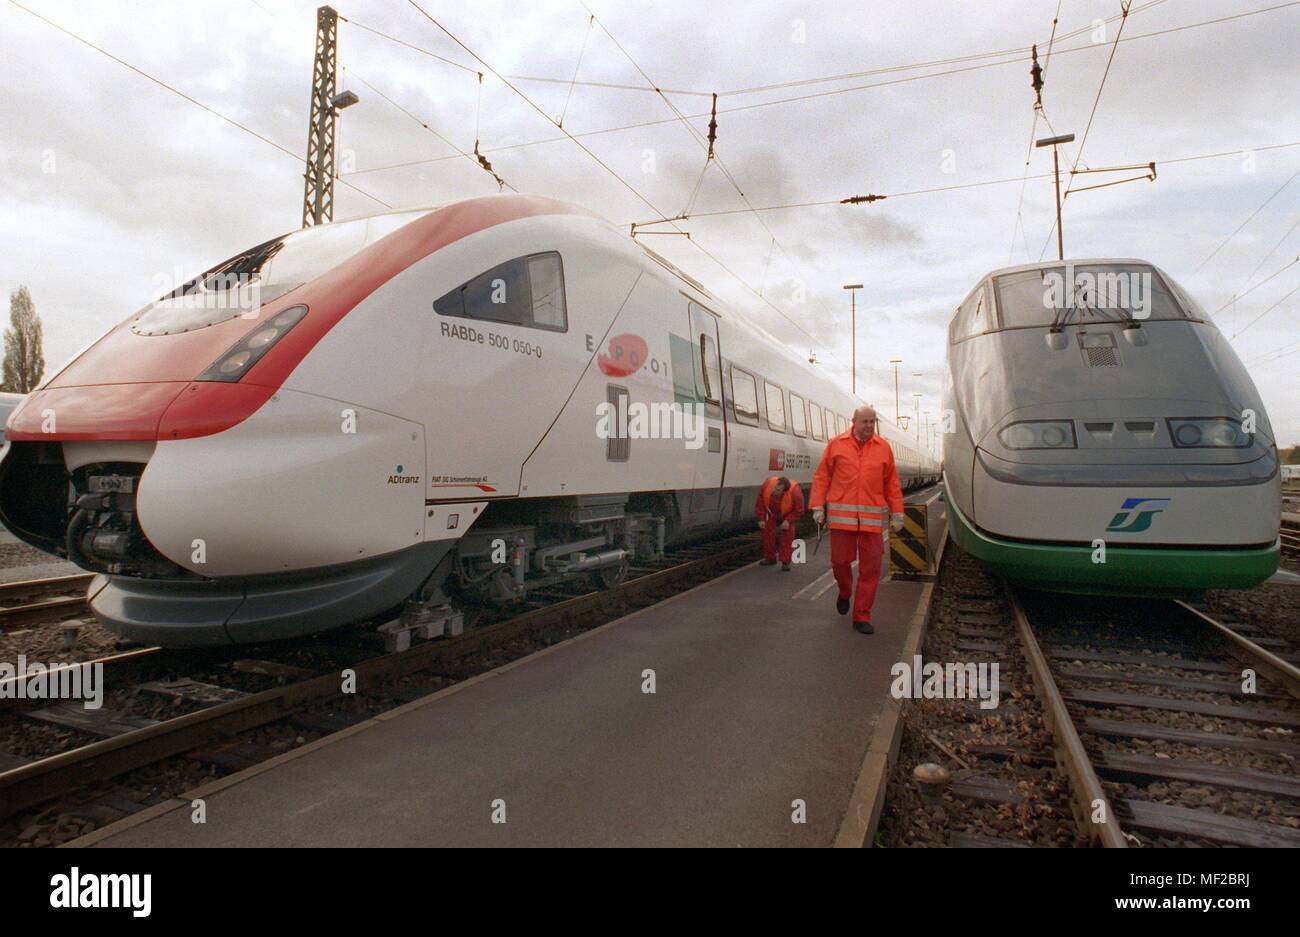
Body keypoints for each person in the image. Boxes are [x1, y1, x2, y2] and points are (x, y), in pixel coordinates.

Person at [809, 405, 904, 634]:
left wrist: (897, 512)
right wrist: (817, 506)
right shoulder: (836, 445)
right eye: (865, 422)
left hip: (871, 522)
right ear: (854, 421)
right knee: (840, 563)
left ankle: (861, 616)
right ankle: (844, 591)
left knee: (871, 570)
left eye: (872, 422)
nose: (869, 426)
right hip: (842, 520)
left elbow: (891, 482)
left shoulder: (883, 448)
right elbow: (822, 476)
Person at [755, 475, 804, 570]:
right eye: (775, 488)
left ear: (784, 492)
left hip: (787, 513)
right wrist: (761, 518)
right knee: (767, 533)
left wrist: (788, 520)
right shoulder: (768, 484)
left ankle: (785, 562)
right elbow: (760, 502)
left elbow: (799, 510)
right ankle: (770, 558)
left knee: (787, 535)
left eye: (778, 490)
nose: (774, 491)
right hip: (772, 511)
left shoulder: (795, 492)